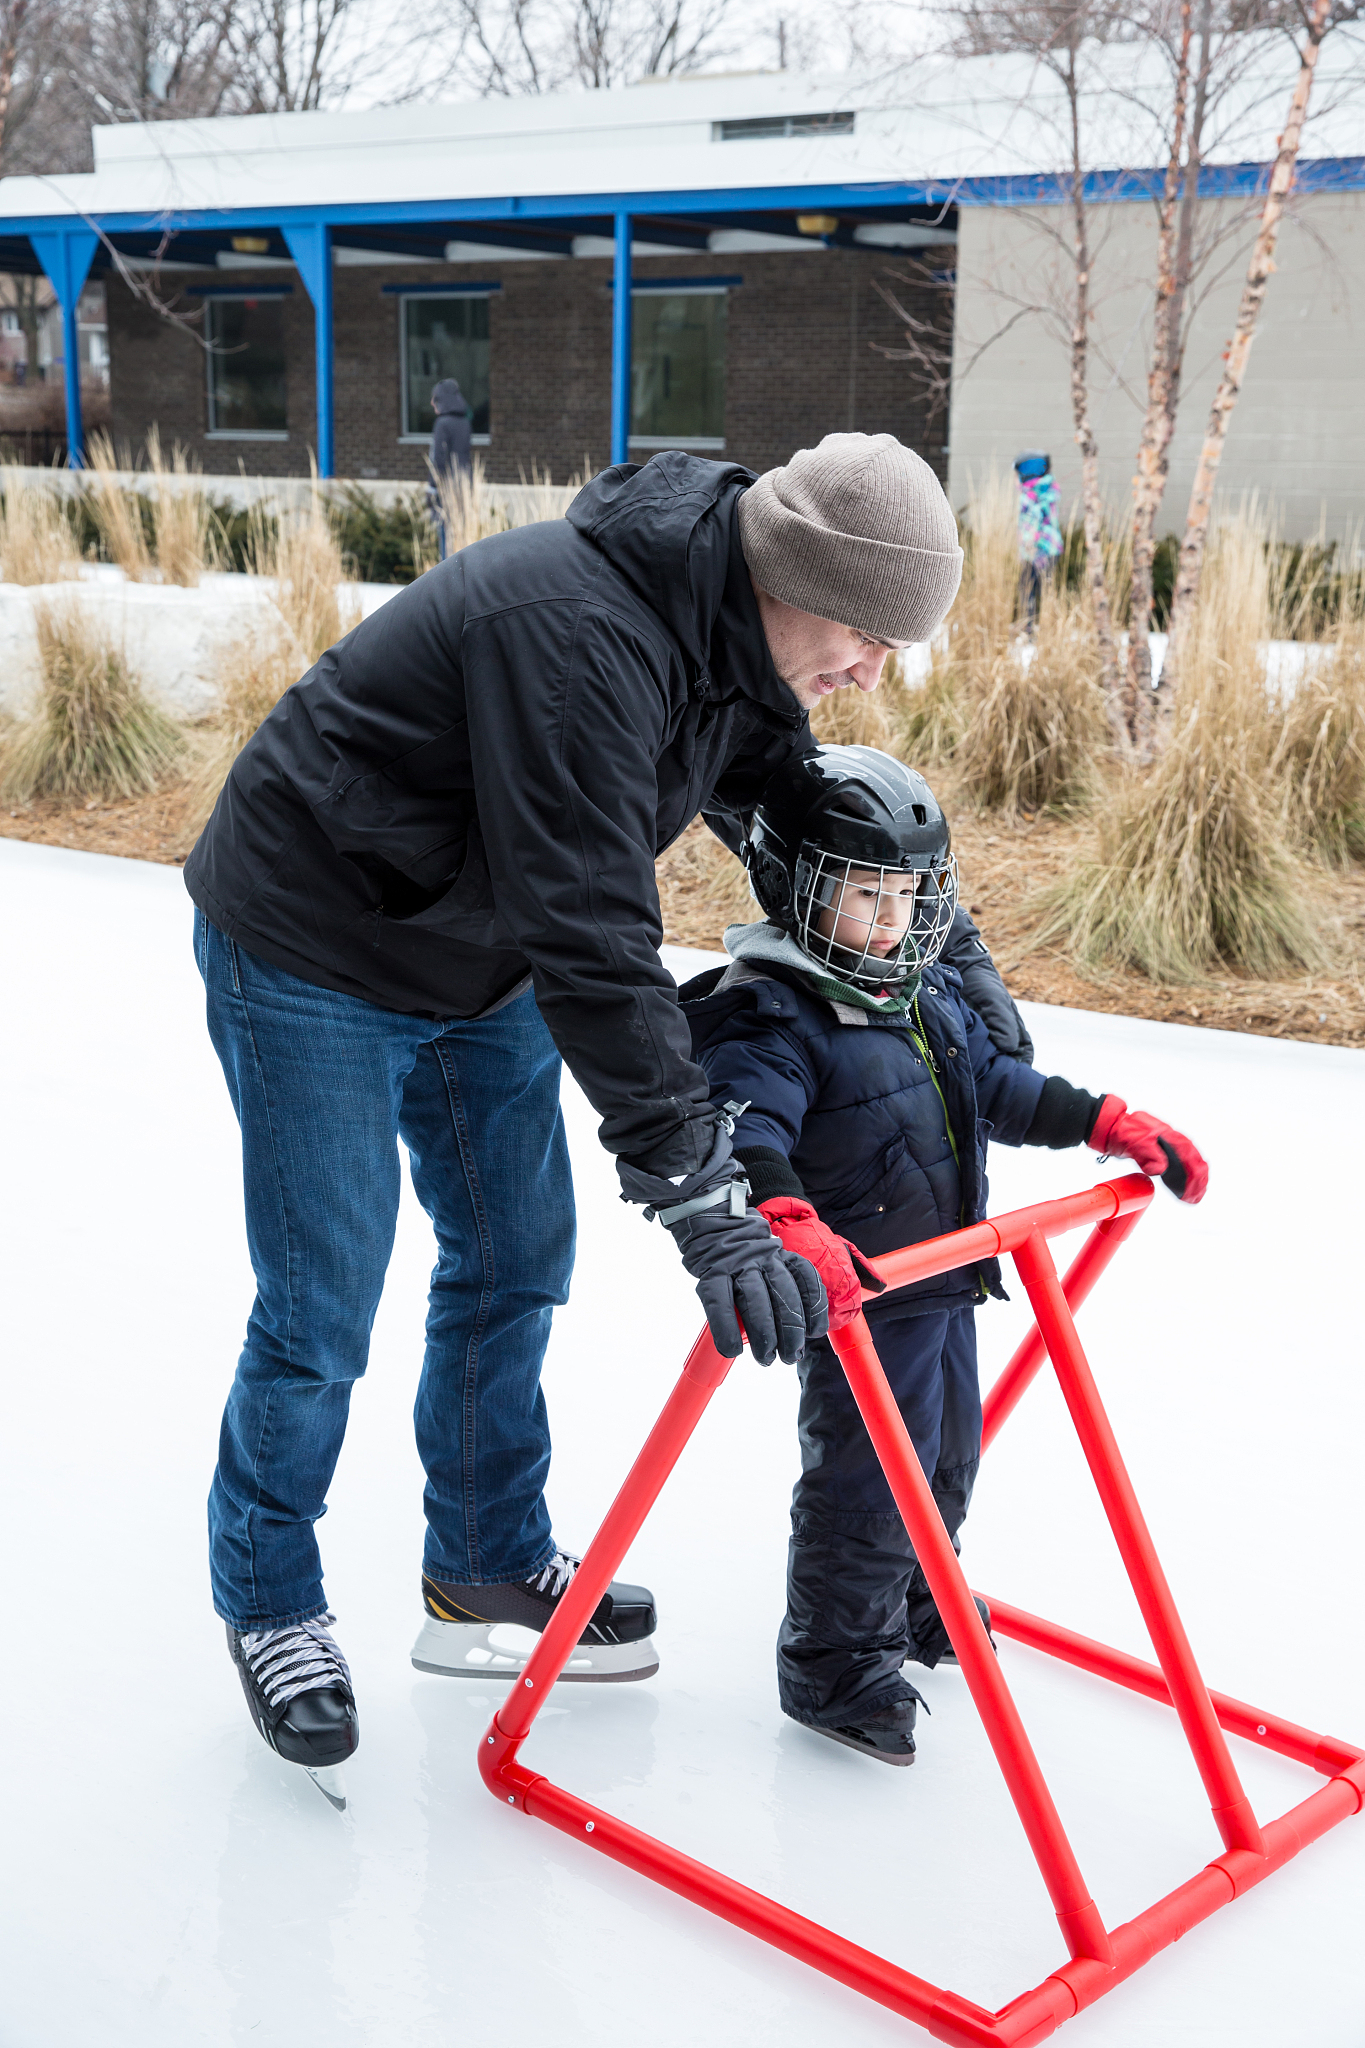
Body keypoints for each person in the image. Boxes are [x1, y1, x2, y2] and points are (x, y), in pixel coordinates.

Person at [184, 434, 967, 1804]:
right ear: (792, 578)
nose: (870, 670)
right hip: (312, 942)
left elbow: (779, 792)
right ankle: (271, 1598)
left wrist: (918, 946)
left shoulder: (732, 637)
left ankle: (480, 1555)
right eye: (862, 634)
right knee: (323, 1296)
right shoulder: (577, 634)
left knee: (514, 1251)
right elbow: (597, 939)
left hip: (467, 947)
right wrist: (707, 1201)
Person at [680, 745, 1208, 1767]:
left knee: (950, 1457)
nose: (893, 920)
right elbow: (749, 1132)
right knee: (868, 1480)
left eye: (910, 895)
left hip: (950, 1277)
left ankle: (918, 1588)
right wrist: (786, 1217)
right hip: (865, 1299)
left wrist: (1107, 1120)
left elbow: (1004, 1092)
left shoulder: (922, 992)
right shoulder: (771, 1011)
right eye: (863, 895)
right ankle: (834, 1660)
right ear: (793, 888)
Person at [1014, 451, 1063, 629]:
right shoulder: (1048, 490)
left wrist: (1028, 546)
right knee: (1047, 590)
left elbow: (1030, 523)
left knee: (1027, 590)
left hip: (1034, 551)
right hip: (1051, 549)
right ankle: (1049, 627)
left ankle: (1028, 628)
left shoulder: (1029, 494)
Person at [428, 377, 473, 559]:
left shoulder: (442, 423)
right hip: (464, 485)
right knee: (461, 535)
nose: (432, 404)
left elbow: (438, 459)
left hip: (446, 489)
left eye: (435, 399)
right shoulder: (465, 423)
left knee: (445, 536)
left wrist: (431, 488)